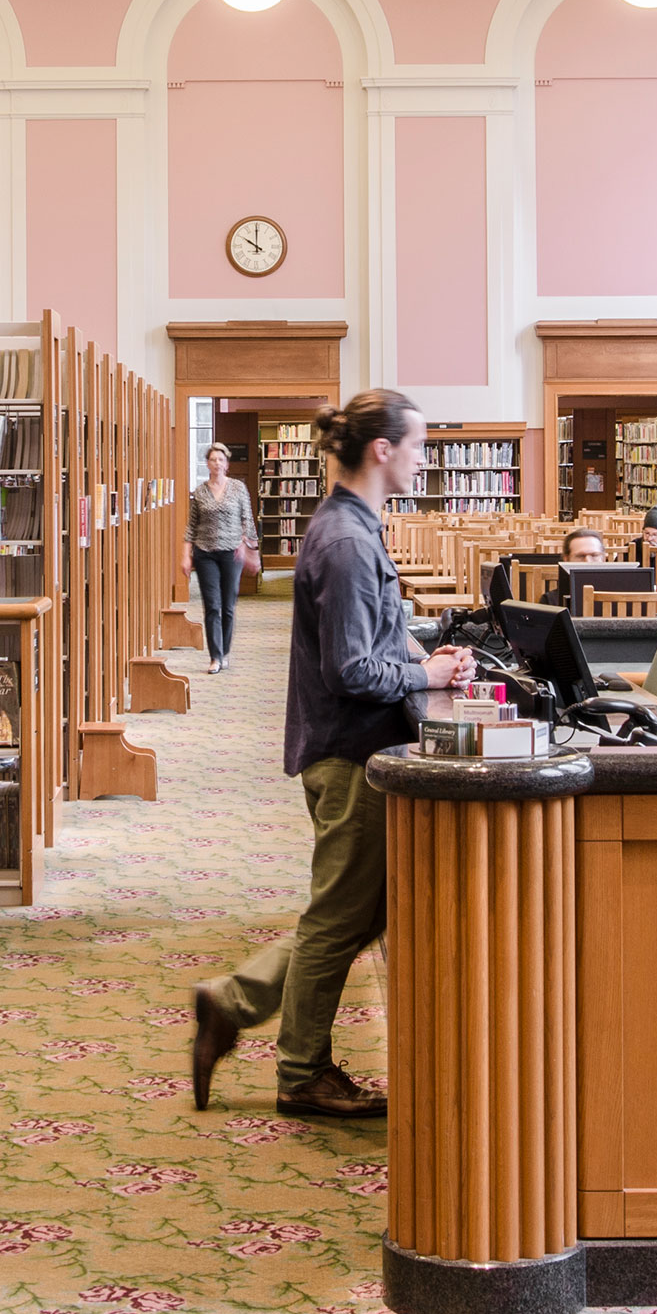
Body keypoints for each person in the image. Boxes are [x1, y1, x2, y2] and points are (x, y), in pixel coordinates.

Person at [191, 389, 469, 1120]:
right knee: (339, 921)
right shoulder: (347, 541)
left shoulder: (353, 526)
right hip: (352, 753)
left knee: (355, 912)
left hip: (353, 748)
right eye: (418, 445)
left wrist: (419, 652)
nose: (424, 457)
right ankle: (299, 1069)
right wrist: (427, 674)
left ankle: (235, 1003)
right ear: (383, 449)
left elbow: (373, 638)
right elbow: (353, 669)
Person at [186, 443, 257, 674]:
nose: (217, 463)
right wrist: (185, 556)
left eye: (220, 460)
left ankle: (225, 652)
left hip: (231, 553)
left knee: (228, 606)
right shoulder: (199, 492)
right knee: (212, 606)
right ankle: (215, 657)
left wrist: (251, 549)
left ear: (226, 464)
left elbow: (248, 520)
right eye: (213, 459)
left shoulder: (238, 488)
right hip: (205, 553)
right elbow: (191, 527)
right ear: (207, 464)